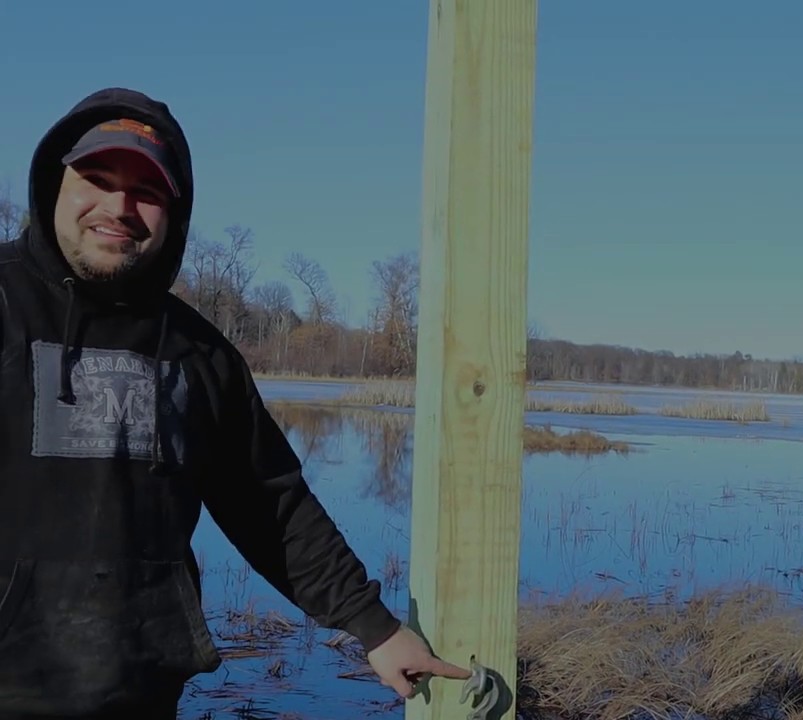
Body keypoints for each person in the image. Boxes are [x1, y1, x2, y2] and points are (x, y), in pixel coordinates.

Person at [0, 87, 470, 717]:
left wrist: (374, 627)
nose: (118, 206)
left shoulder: (201, 355)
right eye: (97, 178)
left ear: (175, 211)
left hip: (137, 694)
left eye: (147, 190)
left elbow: (269, 505)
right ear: (53, 183)